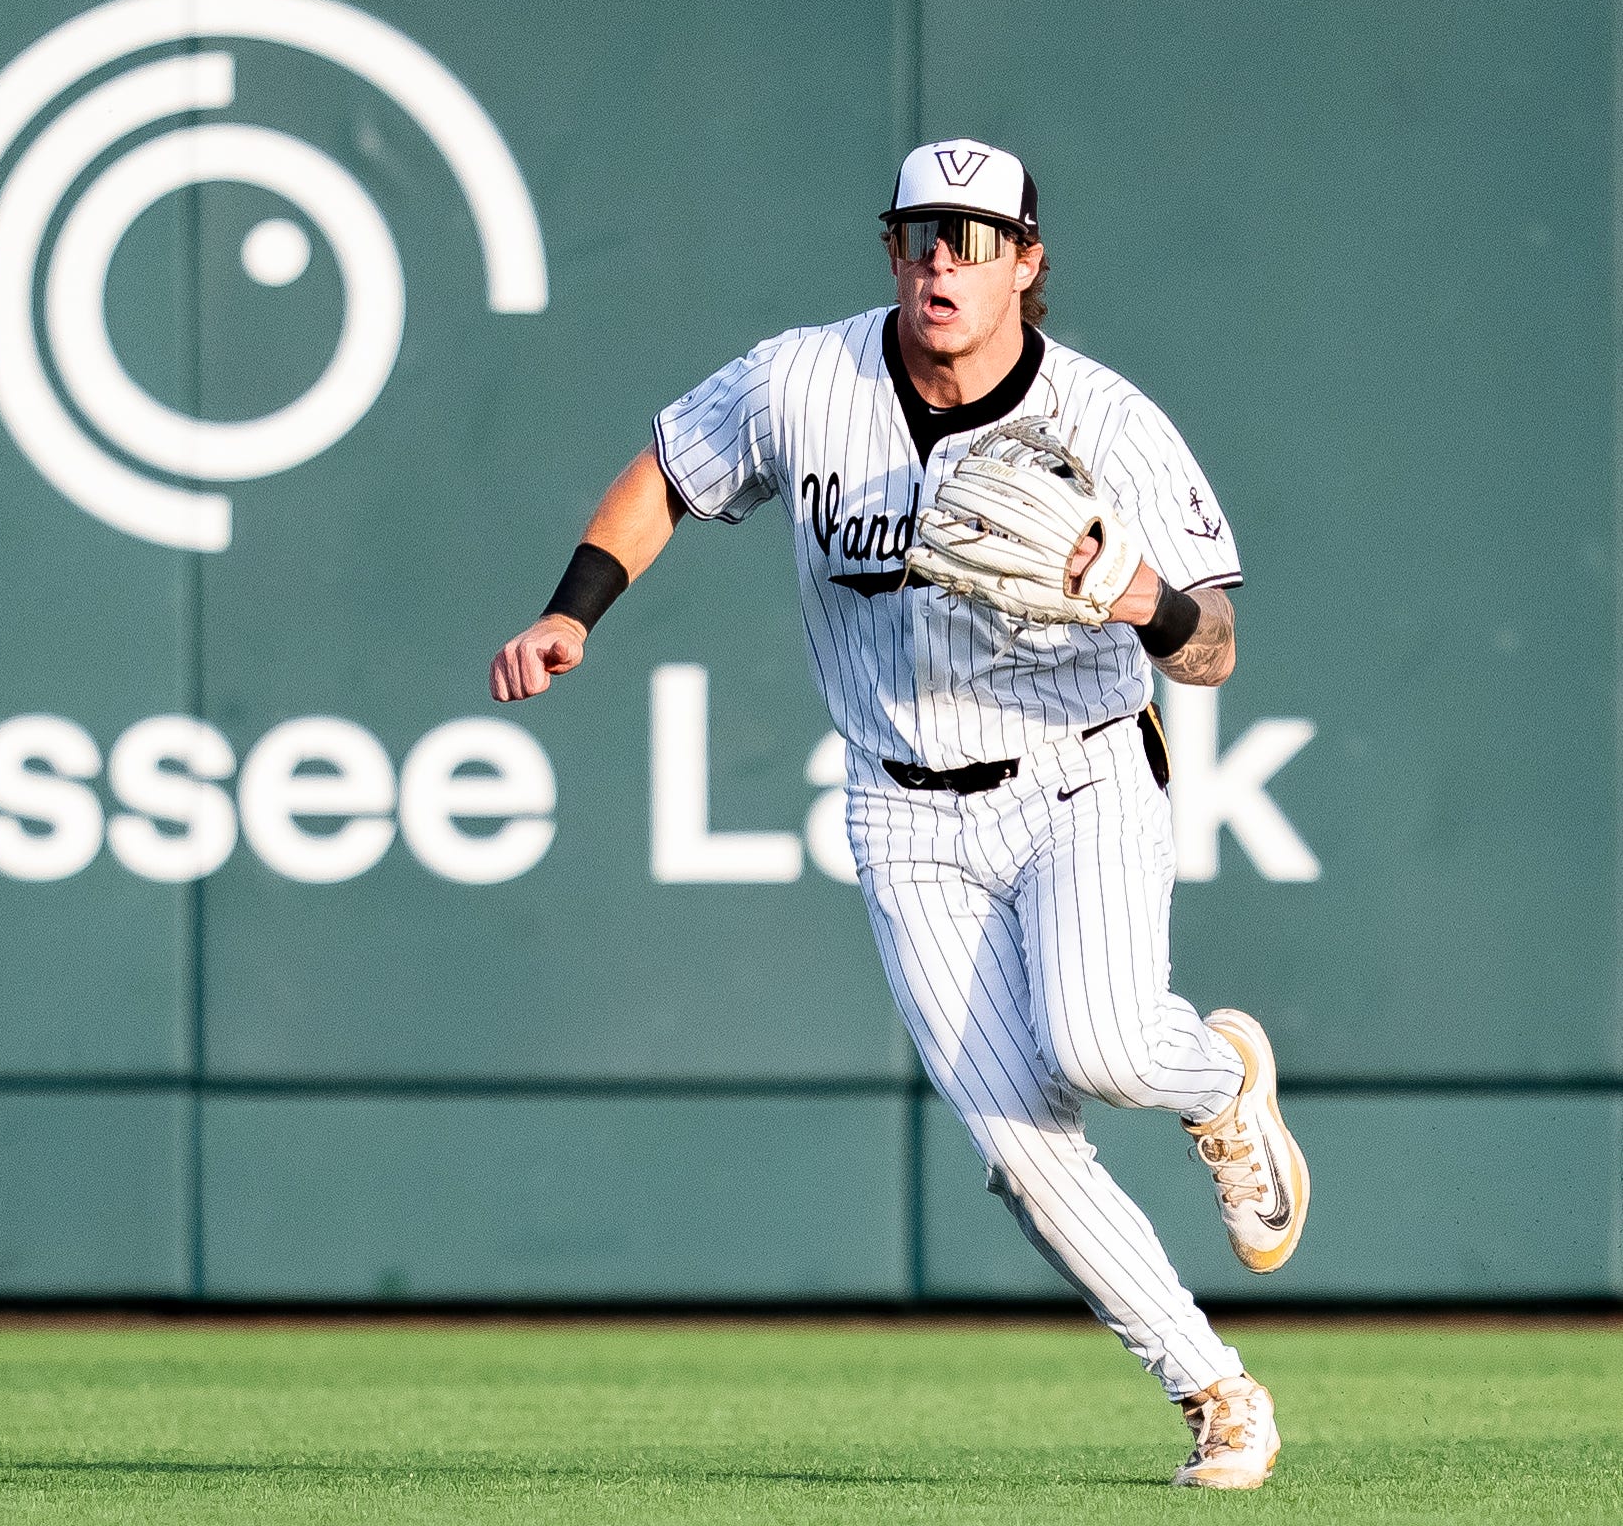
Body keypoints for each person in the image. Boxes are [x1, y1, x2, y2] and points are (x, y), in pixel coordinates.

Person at [488, 139, 1308, 1490]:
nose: (943, 259)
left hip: (1077, 768)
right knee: (1019, 1147)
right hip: (901, 807)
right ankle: (1215, 1394)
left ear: (1026, 265)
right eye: (921, 233)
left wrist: (1140, 601)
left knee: (1101, 1043)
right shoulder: (802, 380)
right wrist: (571, 611)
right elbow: (666, 471)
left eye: (975, 239)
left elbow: (1212, 645)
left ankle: (1218, 1081)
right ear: (890, 251)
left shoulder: (1103, 419)